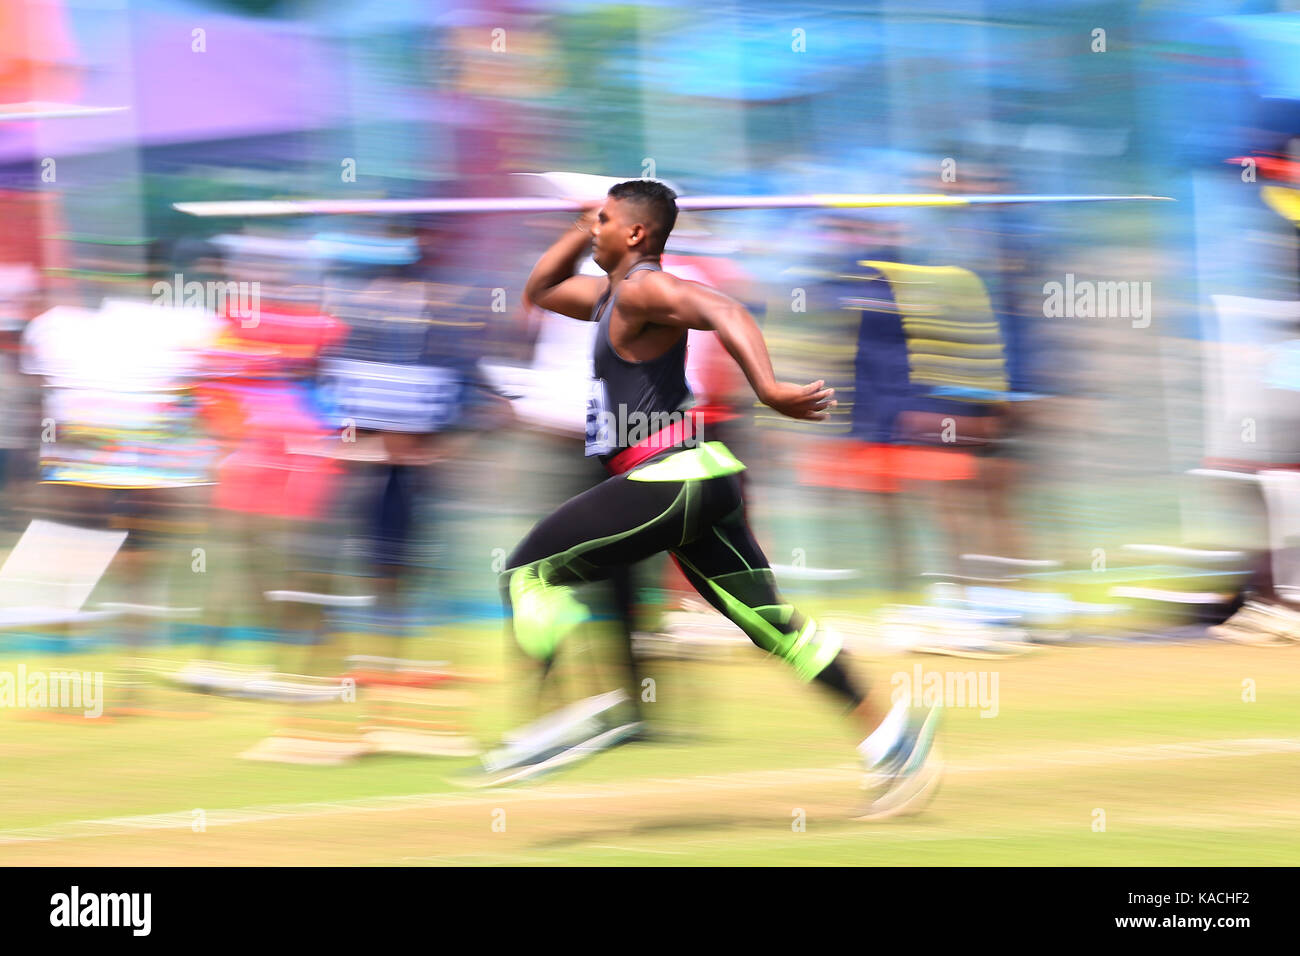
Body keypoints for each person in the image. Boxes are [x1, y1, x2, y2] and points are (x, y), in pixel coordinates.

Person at [482, 179, 942, 819]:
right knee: (773, 627)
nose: (597, 227)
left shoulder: (644, 287)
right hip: (700, 479)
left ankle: (572, 713)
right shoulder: (610, 294)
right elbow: (539, 291)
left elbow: (724, 309)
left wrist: (771, 389)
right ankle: (893, 738)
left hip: (671, 476)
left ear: (636, 234)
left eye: (607, 219)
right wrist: (580, 226)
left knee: (526, 572)